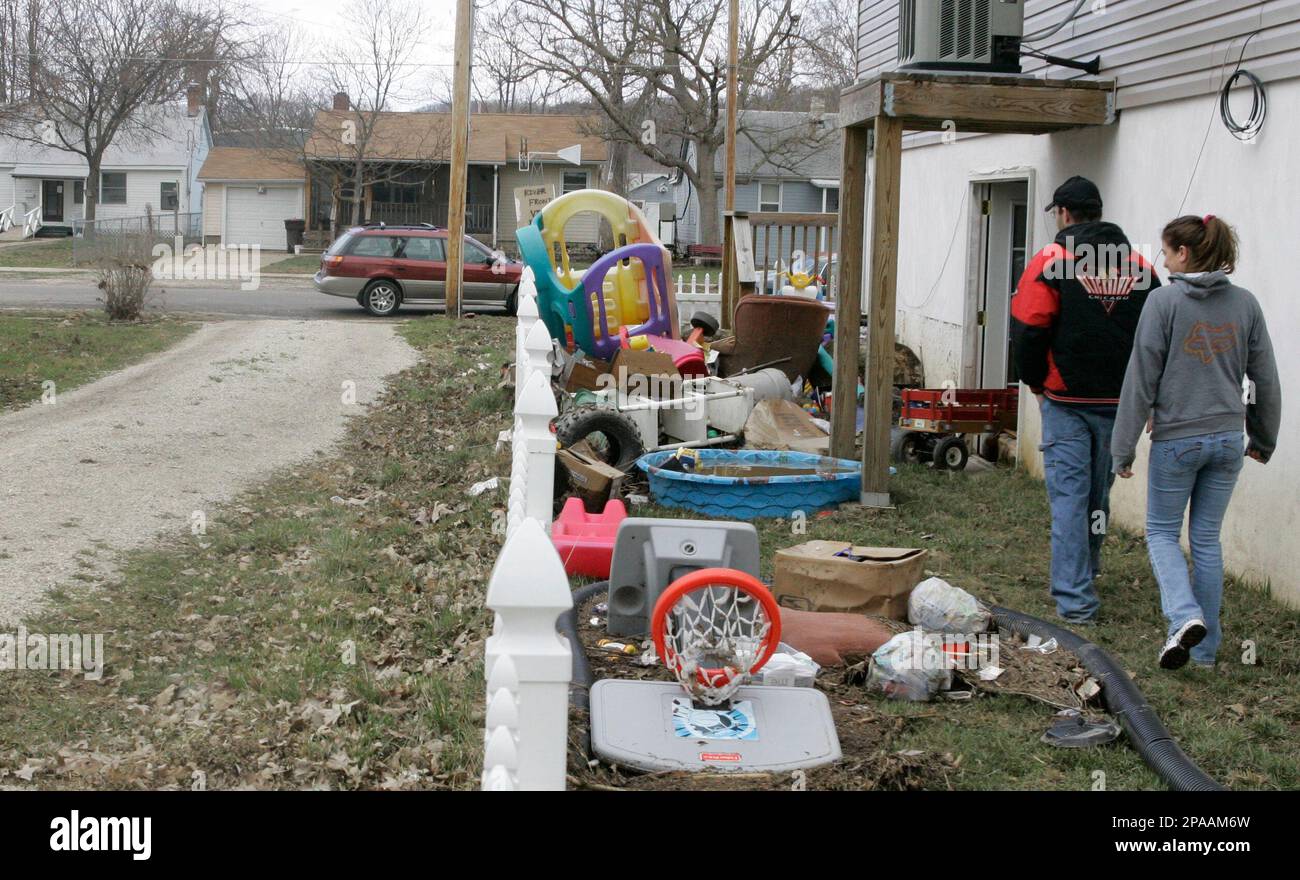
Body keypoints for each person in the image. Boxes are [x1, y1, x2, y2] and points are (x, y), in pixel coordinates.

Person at [1112, 215, 1281, 670]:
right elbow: (1264, 377)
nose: (1162, 261)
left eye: (1166, 252)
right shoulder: (1246, 304)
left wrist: (1122, 448)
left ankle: (1185, 617)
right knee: (1205, 538)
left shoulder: (1163, 303)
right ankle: (1203, 653)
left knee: (1163, 534)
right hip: (1228, 439)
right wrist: (1263, 436)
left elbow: (1140, 378)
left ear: (1184, 253)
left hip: (1178, 441)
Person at [1011, 176, 1161, 624]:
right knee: (1097, 495)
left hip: (1066, 400)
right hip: (1120, 403)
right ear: (1098, 212)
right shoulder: (1140, 265)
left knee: (1069, 498)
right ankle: (1087, 571)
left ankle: (1076, 600)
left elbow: (1029, 329)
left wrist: (1035, 384)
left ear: (1063, 214)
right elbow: (1156, 337)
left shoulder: (1052, 260)